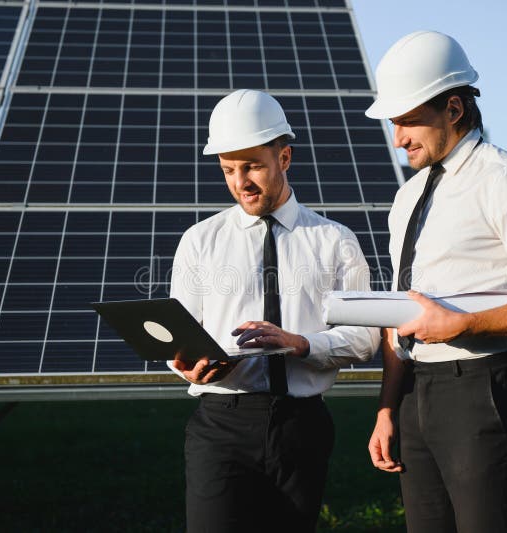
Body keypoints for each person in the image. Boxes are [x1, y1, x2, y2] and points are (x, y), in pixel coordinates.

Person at [364, 31, 507, 533]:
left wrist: (464, 323)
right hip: (415, 396)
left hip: (483, 392)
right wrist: (387, 407)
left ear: (454, 108)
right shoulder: (407, 198)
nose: (398, 137)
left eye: (407, 121)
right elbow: (403, 310)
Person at [167, 89, 379, 533]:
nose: (240, 181)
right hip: (220, 422)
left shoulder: (335, 240)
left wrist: (301, 344)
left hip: (300, 424)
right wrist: (186, 366)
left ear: (284, 157)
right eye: (228, 169)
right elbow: (179, 336)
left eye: (253, 166)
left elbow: (365, 338)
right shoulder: (199, 241)